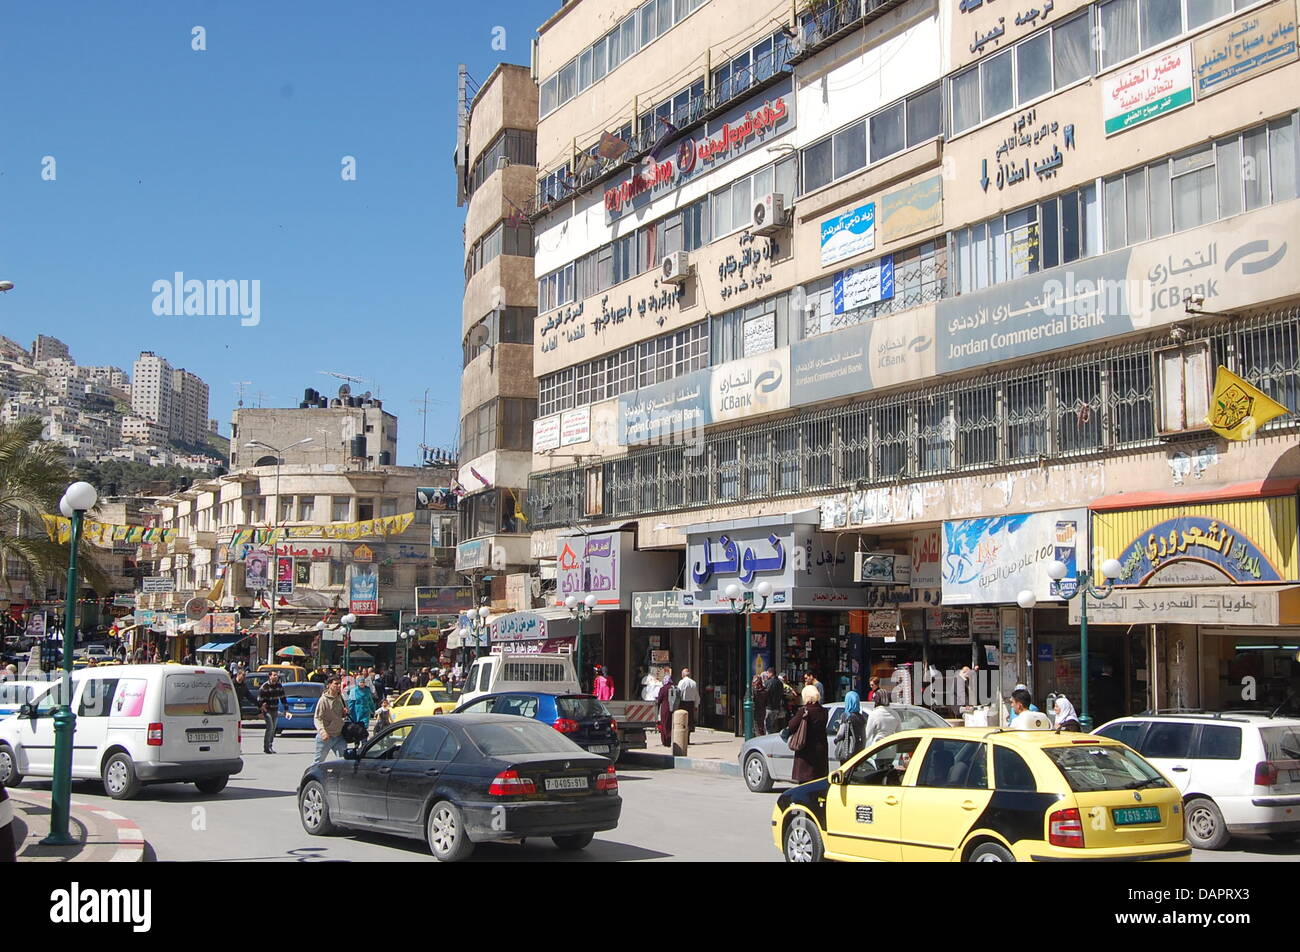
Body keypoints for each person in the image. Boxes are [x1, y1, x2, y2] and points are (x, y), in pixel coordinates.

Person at [785, 685, 829, 783]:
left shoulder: (804, 711)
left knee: (806, 783)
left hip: (806, 749)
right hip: (821, 748)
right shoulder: (824, 711)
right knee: (818, 780)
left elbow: (792, 725)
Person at [313, 676, 348, 763]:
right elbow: (317, 718)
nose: (339, 686)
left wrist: (344, 712)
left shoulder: (340, 697)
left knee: (344, 760)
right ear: (329, 685)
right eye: (336, 684)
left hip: (339, 735)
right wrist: (322, 732)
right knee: (318, 762)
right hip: (326, 736)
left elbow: (341, 715)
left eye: (340, 684)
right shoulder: (323, 700)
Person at [257, 671, 288, 754]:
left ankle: (270, 745)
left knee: (273, 728)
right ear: (270, 676)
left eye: (276, 675)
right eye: (274, 675)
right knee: (270, 727)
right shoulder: (265, 687)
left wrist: (286, 709)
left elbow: (283, 698)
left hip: (275, 709)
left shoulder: (279, 686)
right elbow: (259, 700)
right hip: (267, 710)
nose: (275, 677)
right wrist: (261, 709)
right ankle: (266, 747)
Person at [834, 690, 867, 763]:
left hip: (847, 750)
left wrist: (836, 740)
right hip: (858, 749)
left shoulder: (846, 715)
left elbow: (840, 734)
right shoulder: (861, 717)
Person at [655, 672, 675, 747]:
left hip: (665, 709)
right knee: (670, 724)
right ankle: (670, 739)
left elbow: (659, 700)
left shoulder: (663, 689)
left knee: (664, 724)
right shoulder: (673, 687)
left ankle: (666, 741)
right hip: (673, 708)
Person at [677, 668, 699, 733]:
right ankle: (688, 736)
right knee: (689, 721)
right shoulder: (693, 683)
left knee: (682, 721)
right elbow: (696, 695)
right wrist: (696, 705)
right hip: (691, 704)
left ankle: (682, 736)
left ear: (683, 674)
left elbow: (679, 693)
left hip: (683, 703)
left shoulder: (681, 682)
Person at [764, 670, 786, 735]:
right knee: (773, 725)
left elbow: (766, 694)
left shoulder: (768, 682)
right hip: (777, 707)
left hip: (769, 707)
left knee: (768, 726)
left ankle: (768, 741)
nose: (767, 675)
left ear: (771, 673)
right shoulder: (780, 683)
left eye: (767, 673)